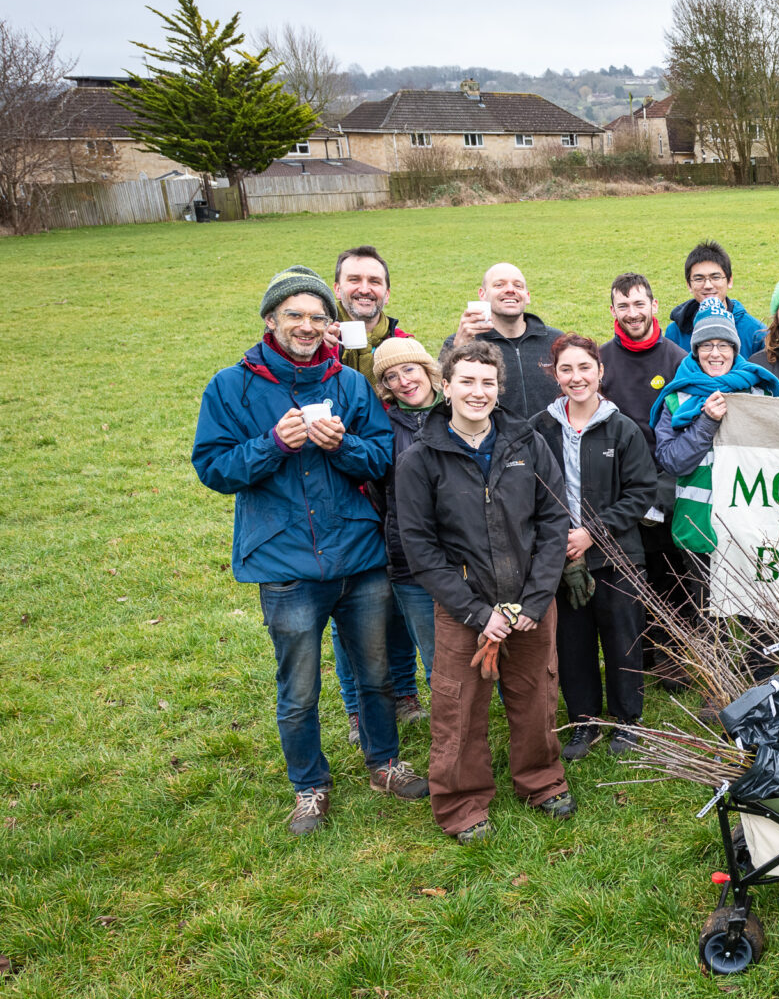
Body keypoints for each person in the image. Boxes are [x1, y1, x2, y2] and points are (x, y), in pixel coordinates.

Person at [191, 265, 423, 836]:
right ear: (271, 320)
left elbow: (382, 459)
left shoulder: (347, 384)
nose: (307, 326)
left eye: (319, 317)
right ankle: (309, 787)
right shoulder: (231, 386)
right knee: (298, 687)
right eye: (294, 315)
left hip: (359, 557)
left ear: (331, 325)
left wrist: (343, 446)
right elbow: (214, 467)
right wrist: (272, 445)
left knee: (373, 676)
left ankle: (385, 764)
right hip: (285, 562)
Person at [393, 341, 573, 843]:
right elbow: (421, 548)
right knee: (459, 706)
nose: (478, 392)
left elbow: (554, 521)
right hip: (463, 609)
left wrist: (536, 600)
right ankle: (461, 802)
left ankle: (541, 780)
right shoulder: (420, 459)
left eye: (487, 383)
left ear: (500, 389)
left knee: (537, 694)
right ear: (445, 387)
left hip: (530, 602)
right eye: (466, 382)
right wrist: (475, 613)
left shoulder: (528, 443)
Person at [533, 334, 659, 762]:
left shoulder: (621, 428)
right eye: (566, 369)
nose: (576, 377)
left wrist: (593, 531)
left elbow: (641, 491)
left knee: (623, 638)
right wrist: (559, 541)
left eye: (584, 368)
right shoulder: (541, 428)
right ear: (556, 375)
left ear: (600, 371)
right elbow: (530, 491)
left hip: (617, 555)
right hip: (561, 557)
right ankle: (584, 721)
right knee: (573, 642)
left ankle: (628, 721)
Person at [330, 336, 446, 747]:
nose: (403, 381)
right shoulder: (384, 424)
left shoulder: (457, 412)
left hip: (464, 556)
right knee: (433, 654)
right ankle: (448, 730)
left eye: (409, 369)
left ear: (428, 369)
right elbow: (376, 486)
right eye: (391, 376)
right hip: (407, 559)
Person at [597, 272, 693, 687]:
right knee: (632, 571)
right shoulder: (602, 361)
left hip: (667, 482)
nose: (632, 313)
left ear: (654, 306)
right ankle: (644, 651)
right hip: (619, 484)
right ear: (613, 311)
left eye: (639, 304)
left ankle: (676, 652)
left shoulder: (676, 358)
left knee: (671, 568)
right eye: (623, 306)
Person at [652, 297, 779, 564]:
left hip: (752, 530)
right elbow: (672, 461)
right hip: (698, 528)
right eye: (706, 345)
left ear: (735, 349)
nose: (715, 354)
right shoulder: (677, 397)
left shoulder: (759, 391)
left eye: (723, 345)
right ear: (695, 350)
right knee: (701, 604)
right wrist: (706, 423)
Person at [441, 262, 562, 420]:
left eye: (518, 286)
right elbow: (444, 399)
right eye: (499, 284)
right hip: (493, 441)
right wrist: (460, 348)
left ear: (527, 296)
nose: (510, 290)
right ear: (482, 294)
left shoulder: (556, 341)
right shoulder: (460, 341)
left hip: (550, 442)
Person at [662, 239, 766, 353]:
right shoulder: (675, 333)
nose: (708, 285)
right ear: (689, 285)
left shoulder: (756, 332)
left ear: (729, 280)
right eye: (699, 279)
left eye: (715, 277)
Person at [326, 245, 409, 382]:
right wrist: (314, 353)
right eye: (354, 280)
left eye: (374, 281)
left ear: (387, 295)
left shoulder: (402, 344)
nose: (364, 290)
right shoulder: (318, 339)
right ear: (337, 289)